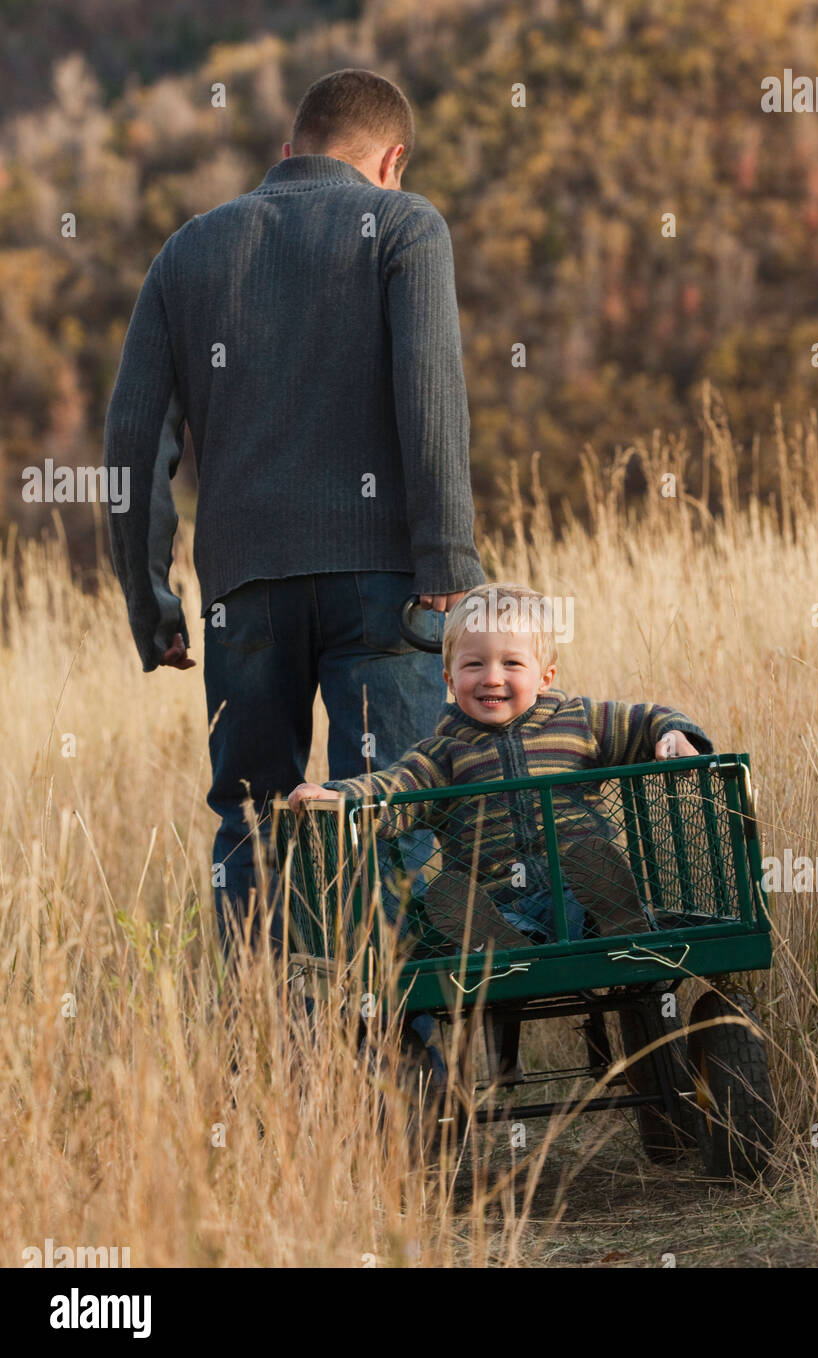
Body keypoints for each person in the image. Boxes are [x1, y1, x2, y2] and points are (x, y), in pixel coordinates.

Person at [102, 69, 485, 960]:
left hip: (242, 592)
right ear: (392, 160)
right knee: (390, 814)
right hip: (385, 584)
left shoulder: (186, 251)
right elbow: (431, 402)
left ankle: (265, 1052)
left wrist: (148, 603)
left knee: (251, 823)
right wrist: (446, 569)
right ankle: (404, 1069)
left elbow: (130, 446)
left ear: (288, 151)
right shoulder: (404, 224)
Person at [287, 583, 715, 950]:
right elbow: (394, 786)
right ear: (449, 680)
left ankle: (617, 920)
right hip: (501, 901)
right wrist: (340, 795)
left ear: (545, 676)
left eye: (511, 663)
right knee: (453, 899)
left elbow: (643, 720)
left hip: (577, 888)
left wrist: (675, 735)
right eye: (474, 664)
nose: (492, 677)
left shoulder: (579, 721)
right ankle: (505, 945)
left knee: (591, 868)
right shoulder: (442, 752)